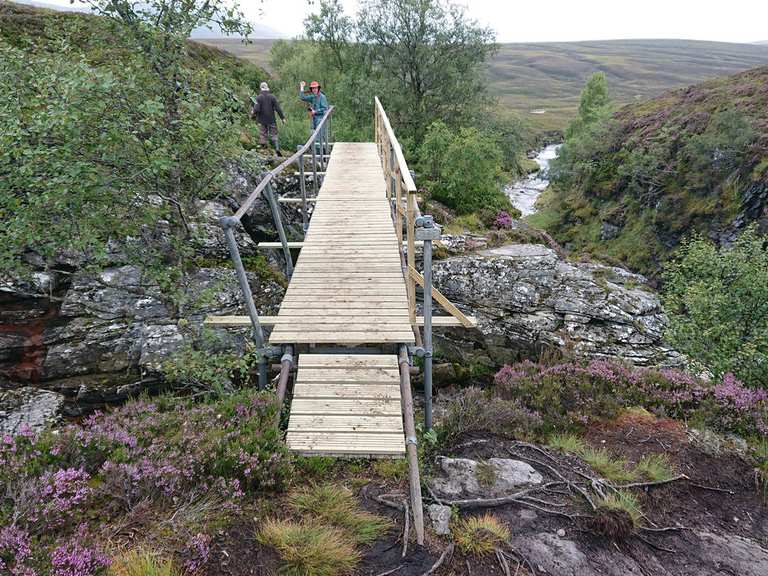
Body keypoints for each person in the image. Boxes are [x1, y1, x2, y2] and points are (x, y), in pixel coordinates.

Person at [251, 81, 286, 155]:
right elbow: (278, 108)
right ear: (267, 88)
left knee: (263, 134)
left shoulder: (258, 97)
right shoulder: (272, 97)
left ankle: (264, 151)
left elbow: (257, 109)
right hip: (271, 119)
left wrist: (253, 113)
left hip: (262, 120)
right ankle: (277, 149)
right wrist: (282, 118)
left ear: (261, 88)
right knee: (274, 134)